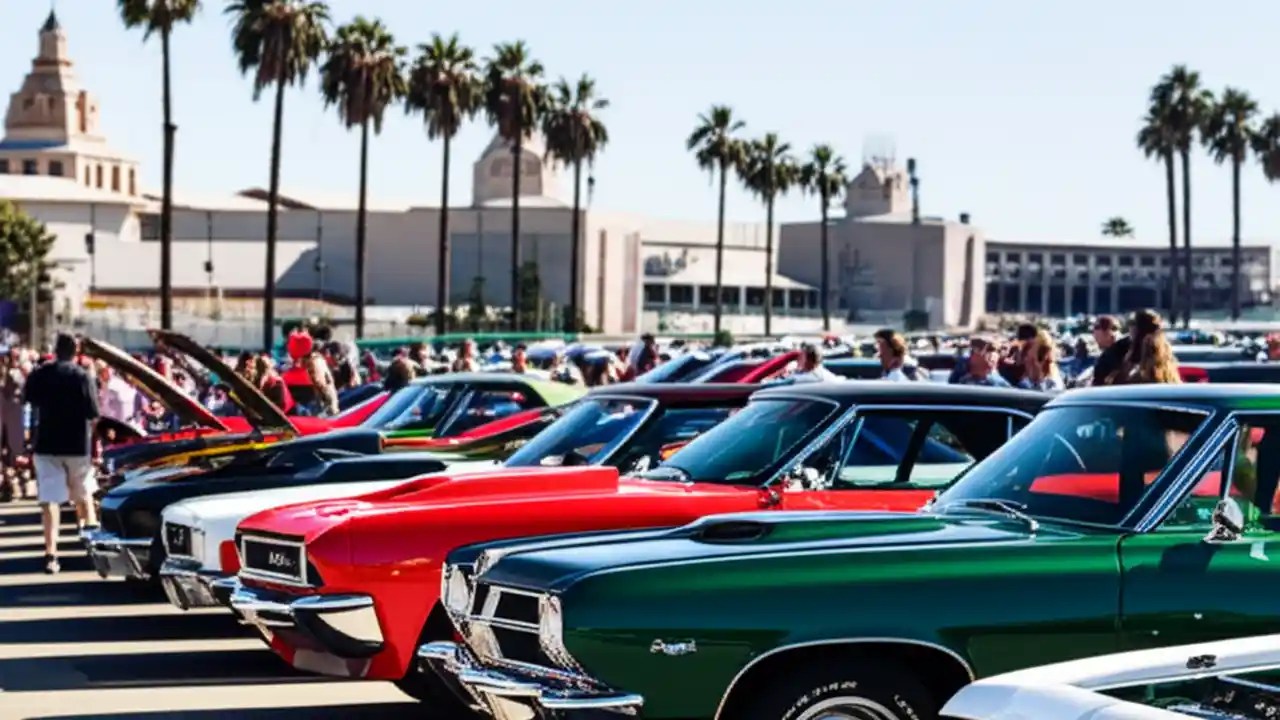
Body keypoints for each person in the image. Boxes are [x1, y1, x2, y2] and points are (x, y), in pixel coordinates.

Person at [22, 334, 99, 574]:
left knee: (50, 501)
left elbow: (28, 400)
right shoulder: (82, 376)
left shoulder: (40, 374)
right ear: (75, 351)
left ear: (55, 350)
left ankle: (51, 554)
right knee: (84, 497)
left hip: (46, 444)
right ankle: (94, 549)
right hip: (77, 445)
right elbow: (93, 412)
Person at [1109, 309, 1181, 385]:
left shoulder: (1138, 373)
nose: (1130, 330)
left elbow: (1115, 385)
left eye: (1133, 324)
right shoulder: (1166, 358)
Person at [1090, 315, 1131, 387]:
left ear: (1108, 331)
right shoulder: (1107, 354)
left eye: (1096, 328)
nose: (1094, 334)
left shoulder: (1120, 352)